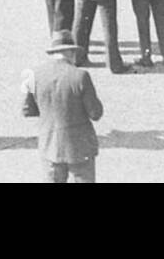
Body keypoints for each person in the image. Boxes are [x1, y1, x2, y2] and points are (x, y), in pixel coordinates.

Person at [21, 30, 104, 183]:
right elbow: (95, 113)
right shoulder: (80, 76)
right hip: (80, 147)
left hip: (49, 145)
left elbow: (27, 110)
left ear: (53, 53)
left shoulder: (35, 75)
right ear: (71, 52)